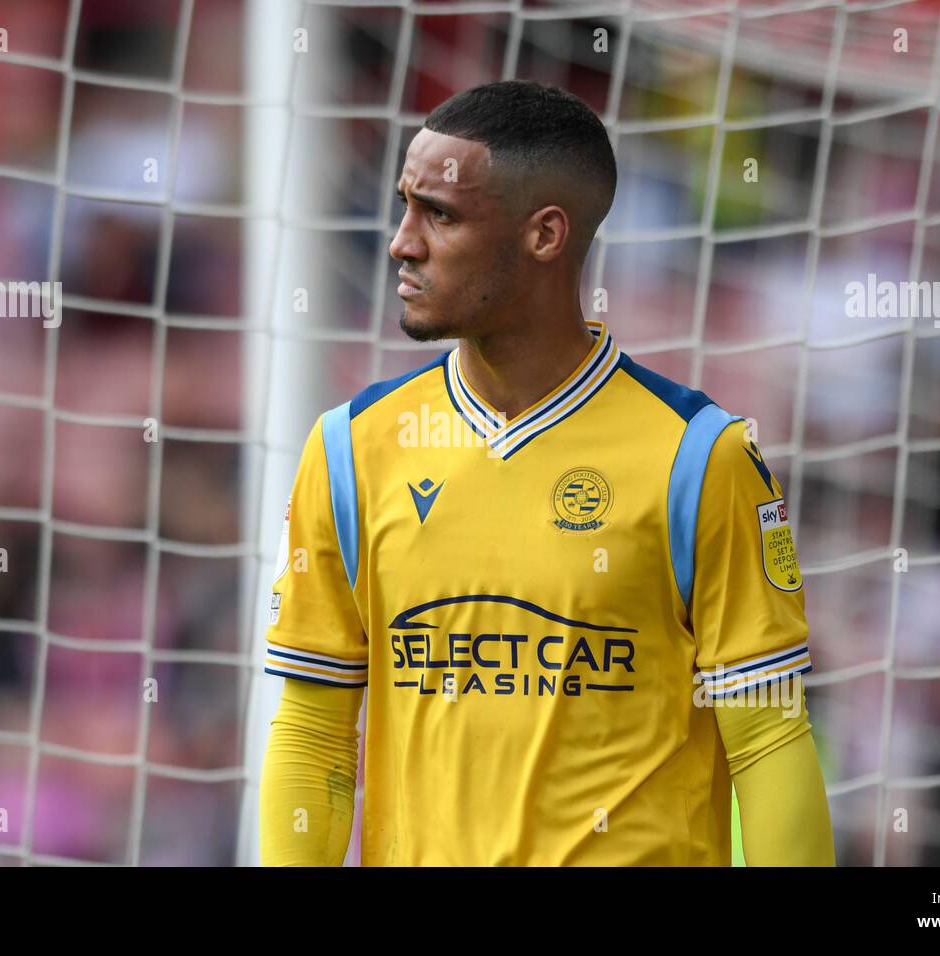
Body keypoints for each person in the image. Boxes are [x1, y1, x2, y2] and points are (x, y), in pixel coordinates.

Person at [258, 80, 835, 866]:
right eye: (405, 206)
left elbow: (768, 734)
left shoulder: (699, 457)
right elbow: (314, 732)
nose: (401, 241)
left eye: (441, 214)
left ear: (545, 235)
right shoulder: (350, 449)